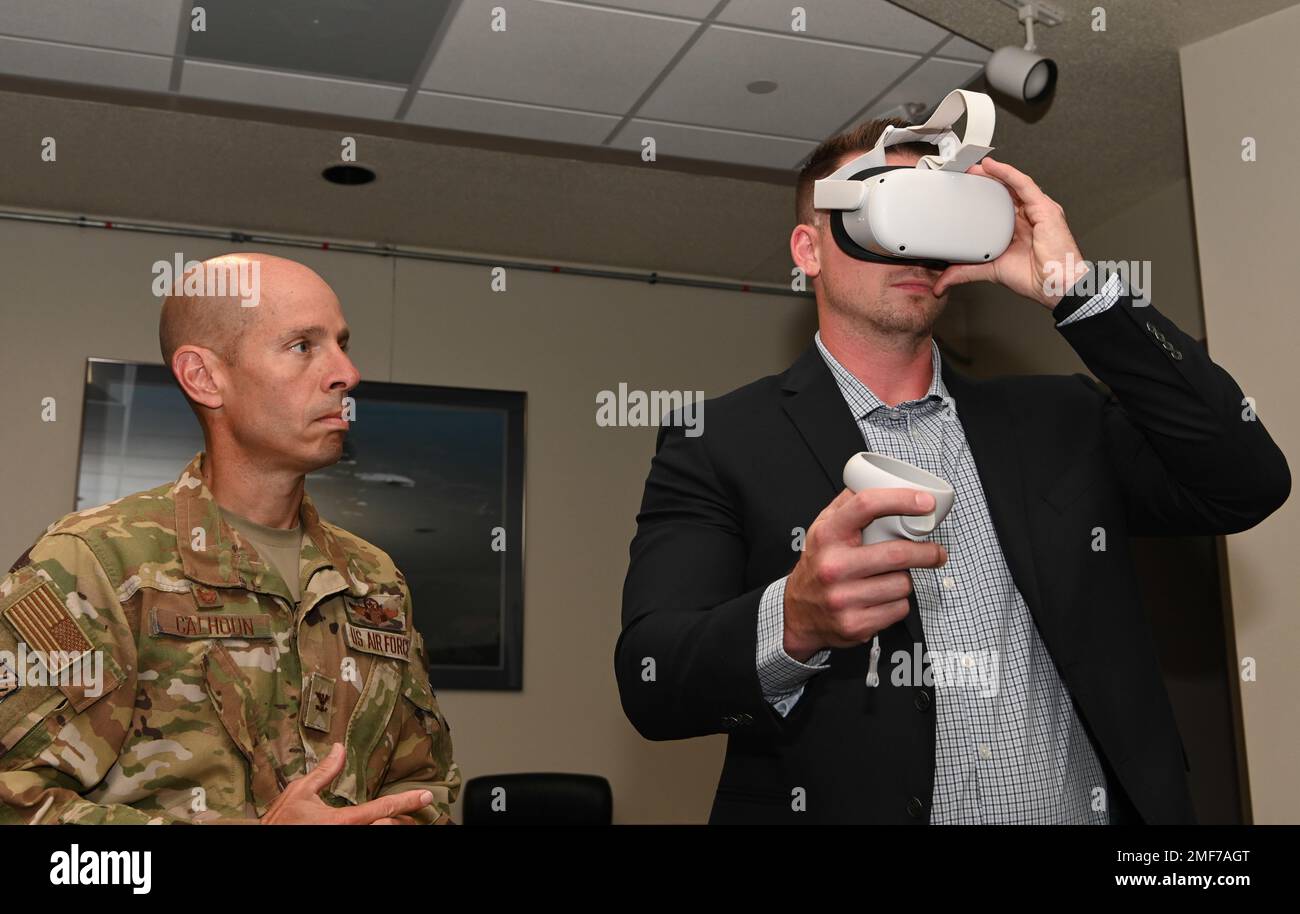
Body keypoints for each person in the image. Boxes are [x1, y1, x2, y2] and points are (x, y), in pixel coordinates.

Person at [614, 120, 1290, 824]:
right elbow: (650, 678)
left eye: (933, 215)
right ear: (809, 249)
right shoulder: (717, 441)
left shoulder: (1059, 419)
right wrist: (793, 621)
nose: (912, 244)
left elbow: (1247, 478)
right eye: (882, 213)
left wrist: (1076, 289)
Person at [0, 253, 460, 824]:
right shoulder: (95, 563)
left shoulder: (375, 579)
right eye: (303, 346)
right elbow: (15, 804)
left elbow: (424, 782)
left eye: (342, 342)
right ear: (204, 376)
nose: (347, 371)